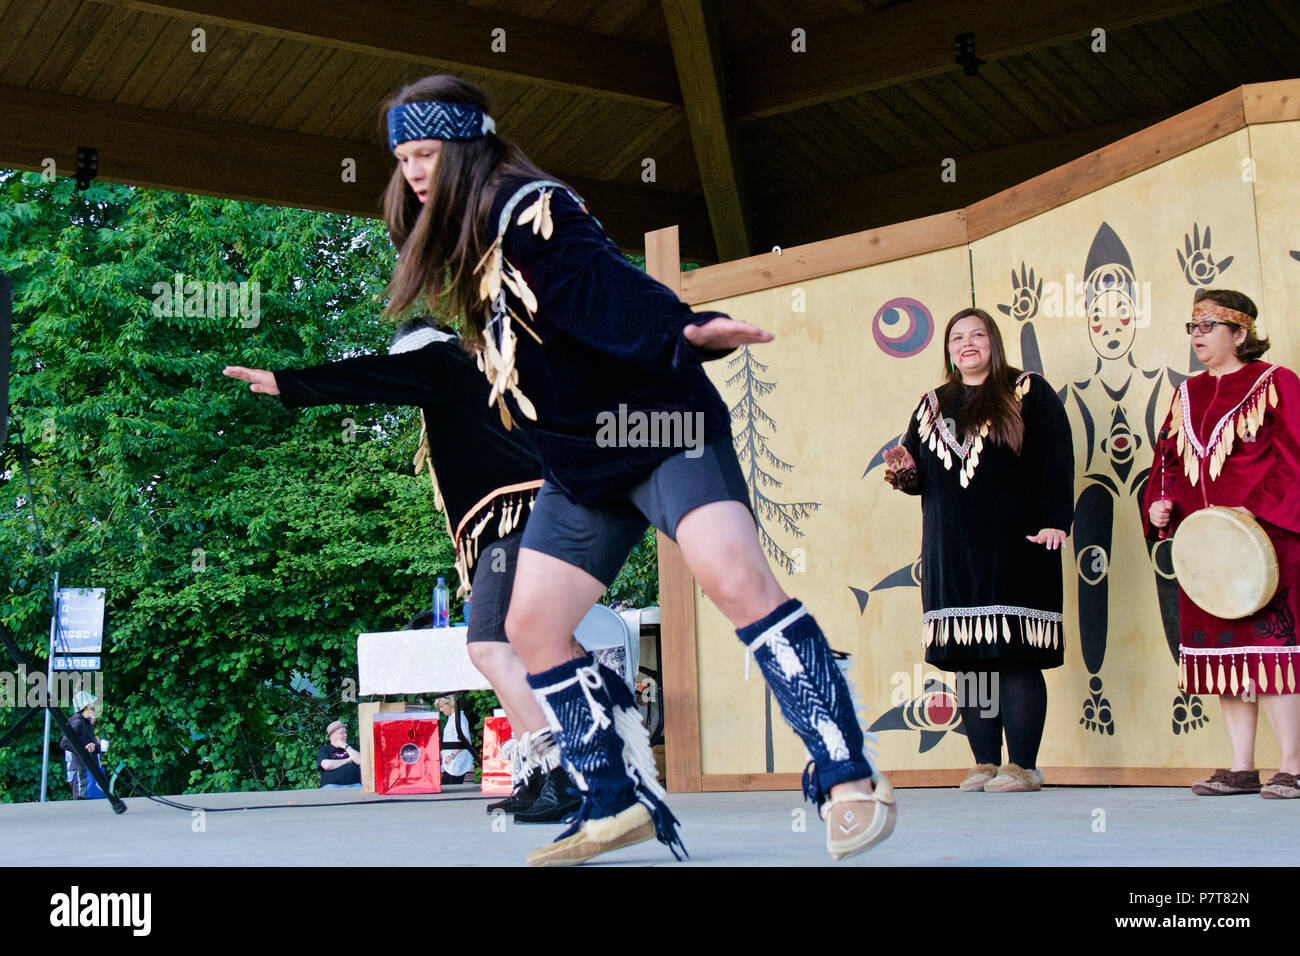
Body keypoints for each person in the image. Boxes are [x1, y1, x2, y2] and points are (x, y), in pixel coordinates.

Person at [379, 74, 892, 867]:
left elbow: (605, 286)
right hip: (581, 461)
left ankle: (848, 774)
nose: (414, 171)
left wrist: (684, 330)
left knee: (733, 577)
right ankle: (613, 801)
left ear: (468, 144)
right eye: (403, 157)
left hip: (655, 424)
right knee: (530, 627)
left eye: (427, 152)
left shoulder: (531, 211)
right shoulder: (469, 238)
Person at [223, 318, 582, 821]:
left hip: (514, 525)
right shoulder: (480, 383)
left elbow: (368, 376)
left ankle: (567, 771)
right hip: (524, 526)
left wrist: (288, 381)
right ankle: (538, 772)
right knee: (502, 650)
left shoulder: (444, 363)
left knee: (489, 647)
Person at [884, 308, 1074, 793]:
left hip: (1018, 543)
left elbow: (1057, 455)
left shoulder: (1028, 391)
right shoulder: (929, 405)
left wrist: (1056, 519)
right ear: (947, 349)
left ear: (994, 342)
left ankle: (1024, 766)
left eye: (977, 335)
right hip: (951, 550)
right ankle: (986, 762)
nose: (966, 344)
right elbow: (918, 478)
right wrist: (902, 471)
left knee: (1014, 653)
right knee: (967, 658)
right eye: (956, 338)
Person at [1144, 288, 1300, 799]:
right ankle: (1240, 766)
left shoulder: (1275, 382)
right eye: (1193, 327)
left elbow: (1295, 456)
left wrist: (1254, 509)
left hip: (1265, 543)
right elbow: (1166, 457)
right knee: (1225, 655)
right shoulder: (1185, 393)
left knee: (1272, 653)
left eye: (1209, 327)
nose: (1197, 337)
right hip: (1205, 549)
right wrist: (1161, 503)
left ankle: (1293, 766)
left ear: (1241, 333)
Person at [59, 690, 106, 799]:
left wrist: (96, 744)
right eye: (92, 704)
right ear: (85, 706)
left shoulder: (86, 722)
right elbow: (64, 743)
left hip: (89, 768)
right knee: (83, 802)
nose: (94, 706)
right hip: (82, 770)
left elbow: (86, 743)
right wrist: (84, 749)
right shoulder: (78, 722)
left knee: (92, 800)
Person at [435, 695, 475, 784]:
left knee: (451, 787)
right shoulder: (452, 718)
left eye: (442, 706)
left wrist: (452, 755)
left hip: (456, 761)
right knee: (446, 786)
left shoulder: (459, 718)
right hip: (451, 761)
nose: (441, 710)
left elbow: (465, 739)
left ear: (450, 705)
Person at [318, 719, 363, 788]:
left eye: (345, 732)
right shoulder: (324, 749)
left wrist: (346, 746)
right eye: (342, 733)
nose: (345, 735)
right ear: (332, 736)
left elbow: (361, 761)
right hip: (331, 786)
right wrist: (348, 760)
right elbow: (327, 765)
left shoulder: (353, 748)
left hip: (355, 785)